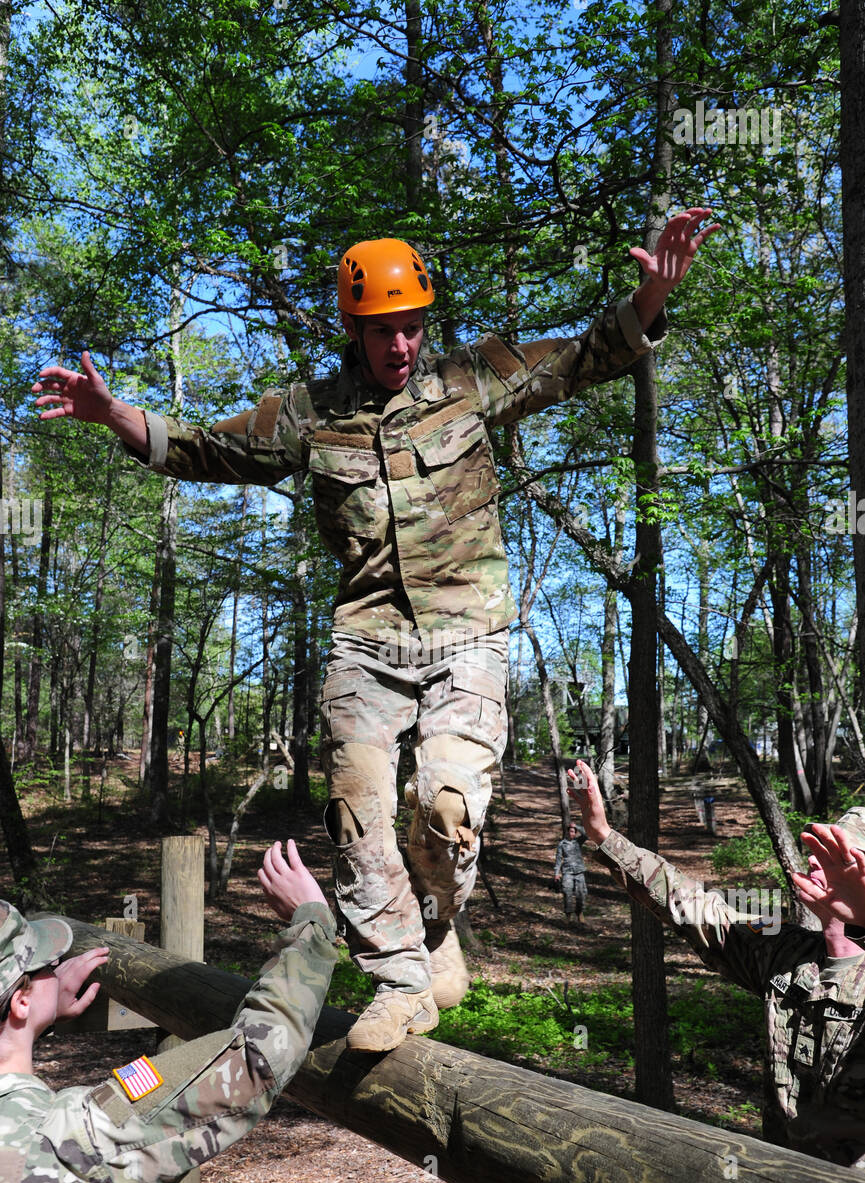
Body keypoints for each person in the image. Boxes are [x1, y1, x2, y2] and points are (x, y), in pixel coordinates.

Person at [33, 211, 719, 1052]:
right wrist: (113, 414)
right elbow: (209, 450)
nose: (399, 346)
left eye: (410, 327)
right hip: (367, 640)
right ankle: (398, 981)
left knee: (444, 804)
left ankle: (438, 922)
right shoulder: (308, 414)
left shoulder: (472, 379)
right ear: (352, 328)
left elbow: (582, 359)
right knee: (358, 808)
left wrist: (653, 292)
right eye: (381, 331)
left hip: (468, 632)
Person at [0, 839, 338, 1183]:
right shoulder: (76, 1139)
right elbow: (259, 1054)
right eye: (45, 965)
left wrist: (35, 1020)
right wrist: (313, 922)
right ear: (18, 999)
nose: (57, 969)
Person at [568, 760, 865, 1168]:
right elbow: (690, 903)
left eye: (837, 856)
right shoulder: (785, 952)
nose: (815, 860)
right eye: (816, 849)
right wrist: (603, 835)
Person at [554, 821, 588, 927]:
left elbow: (586, 834)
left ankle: (580, 913)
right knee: (567, 893)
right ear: (567, 832)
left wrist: (576, 826)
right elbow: (559, 859)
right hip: (567, 872)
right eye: (570, 831)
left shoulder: (578, 841)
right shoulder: (562, 844)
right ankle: (568, 915)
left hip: (579, 872)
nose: (571, 834)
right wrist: (556, 873)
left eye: (573, 832)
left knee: (581, 894)